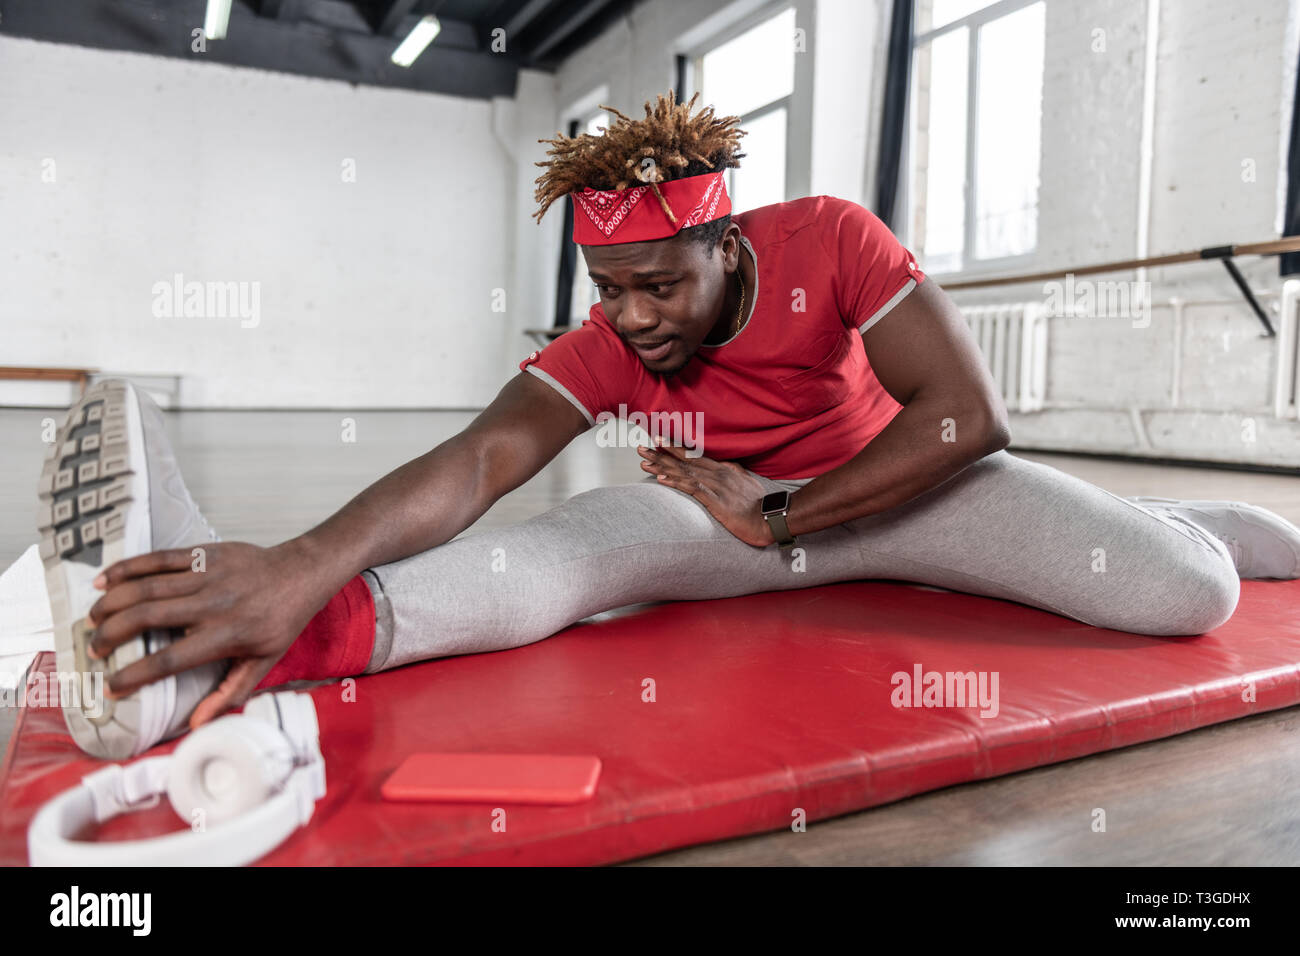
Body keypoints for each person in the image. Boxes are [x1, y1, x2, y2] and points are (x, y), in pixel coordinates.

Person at [38, 92, 1300, 759]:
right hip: (722, 511)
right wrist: (298, 560)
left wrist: (790, 511)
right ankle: (232, 652)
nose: (632, 322)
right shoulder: (607, 338)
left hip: (903, 491)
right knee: (561, 558)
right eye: (606, 294)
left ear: (726, 242)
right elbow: (481, 458)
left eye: (658, 288)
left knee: (1184, 586)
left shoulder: (831, 240)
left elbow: (968, 414)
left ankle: (1201, 515)